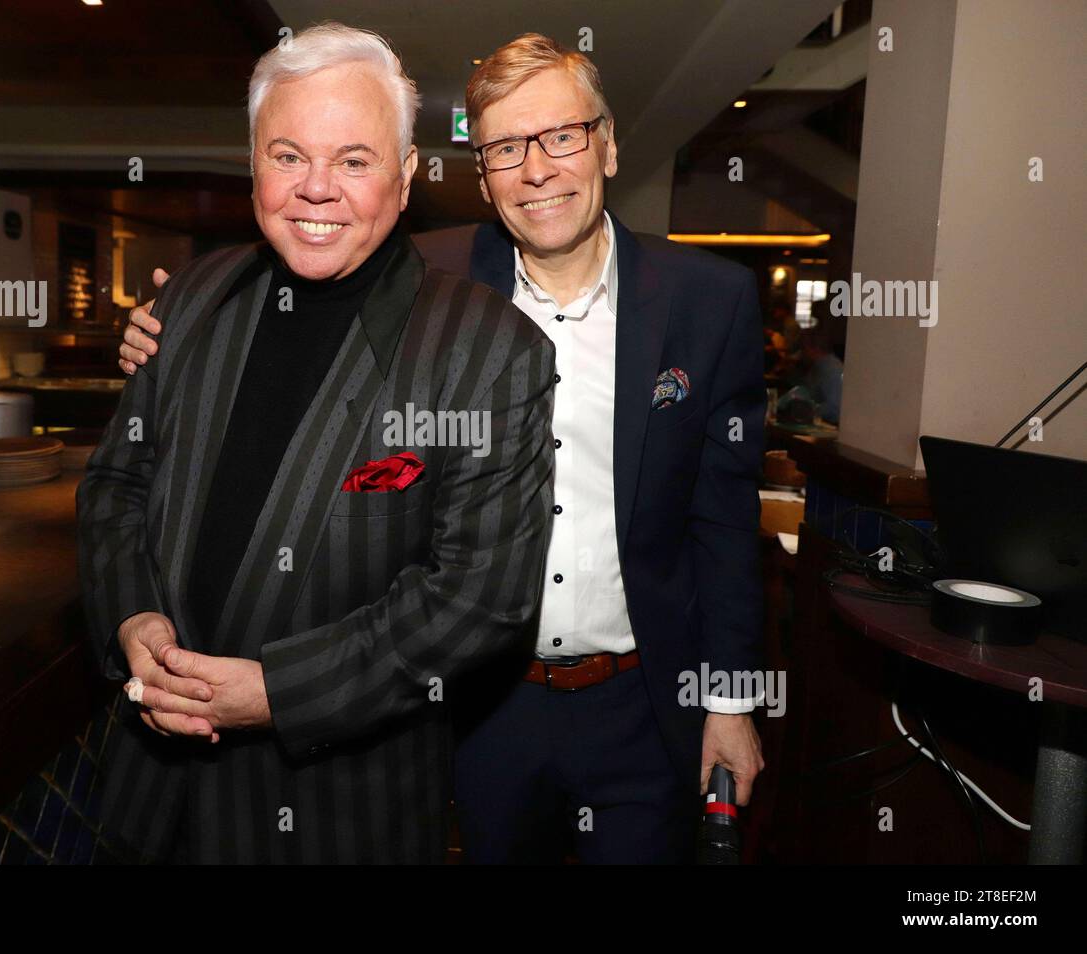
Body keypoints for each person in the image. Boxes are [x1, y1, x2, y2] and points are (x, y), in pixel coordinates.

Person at [121, 32, 766, 864]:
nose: (536, 169)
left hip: (641, 698)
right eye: (504, 147)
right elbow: (292, 262)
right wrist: (158, 329)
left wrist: (732, 700)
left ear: (605, 145)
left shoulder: (707, 300)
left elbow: (723, 517)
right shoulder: (422, 272)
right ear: (481, 173)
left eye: (562, 135)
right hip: (470, 705)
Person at [78, 23, 555, 864]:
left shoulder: (487, 351)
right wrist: (131, 617)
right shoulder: (188, 300)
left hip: (337, 815)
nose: (316, 190)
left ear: (405, 179)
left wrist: (276, 693)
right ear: (254, 162)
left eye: (354, 161)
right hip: (150, 796)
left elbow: (479, 599)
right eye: (289, 156)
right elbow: (116, 484)